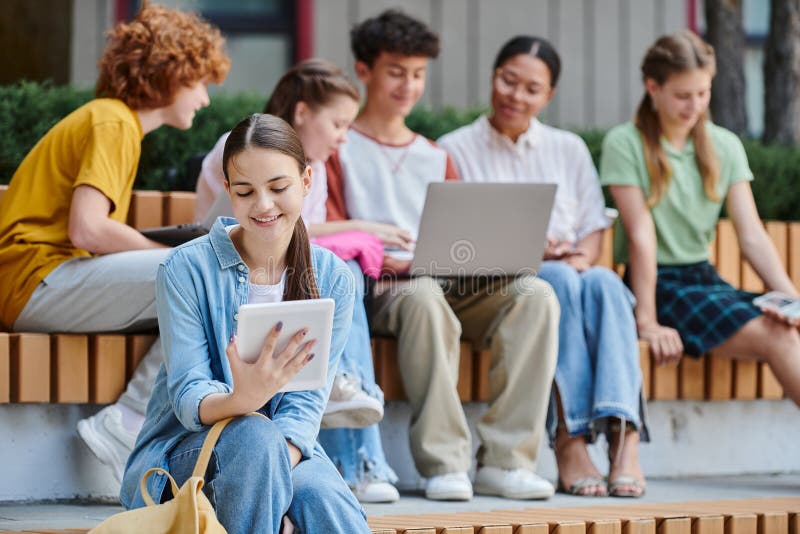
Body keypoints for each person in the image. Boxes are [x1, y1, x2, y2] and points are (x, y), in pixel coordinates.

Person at [326, 10, 560, 501]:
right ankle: (445, 463)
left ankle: (506, 461)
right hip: (385, 291)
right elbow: (331, 243)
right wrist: (386, 258)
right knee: (425, 295)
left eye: (417, 74)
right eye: (396, 72)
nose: (408, 85)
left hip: (445, 281)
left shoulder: (436, 154)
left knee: (535, 295)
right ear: (364, 71)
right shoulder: (340, 149)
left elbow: (457, 236)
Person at [0, 3, 229, 483]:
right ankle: (128, 422)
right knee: (204, 272)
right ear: (171, 72)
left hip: (42, 280)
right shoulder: (114, 122)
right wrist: (174, 255)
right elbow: (88, 229)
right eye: (201, 82)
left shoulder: (112, 121)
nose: (206, 99)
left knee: (206, 283)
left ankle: (140, 425)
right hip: (36, 281)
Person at [121, 113, 370, 533]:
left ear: (306, 182)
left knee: (323, 495)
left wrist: (275, 485)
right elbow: (188, 396)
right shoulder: (186, 268)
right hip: (185, 453)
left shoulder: (333, 280)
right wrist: (246, 397)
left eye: (278, 187)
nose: (264, 205)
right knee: (254, 438)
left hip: (283, 449)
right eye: (245, 191)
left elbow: (304, 409)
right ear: (228, 192)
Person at [438, 35, 648, 498]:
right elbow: (454, 242)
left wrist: (580, 256)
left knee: (605, 284)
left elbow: (594, 224)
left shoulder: (568, 148)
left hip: (569, 271)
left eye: (531, 88)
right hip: (496, 290)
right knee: (553, 280)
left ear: (548, 96)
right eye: (508, 81)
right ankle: (570, 439)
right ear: (492, 77)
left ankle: (623, 438)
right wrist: (536, 256)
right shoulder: (453, 149)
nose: (516, 95)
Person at [195, 58, 399, 503]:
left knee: (337, 276)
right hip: (234, 280)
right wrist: (360, 227)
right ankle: (349, 398)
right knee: (339, 272)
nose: (344, 136)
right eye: (339, 124)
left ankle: (355, 437)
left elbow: (302, 237)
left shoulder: (318, 170)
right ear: (303, 113)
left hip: (285, 276)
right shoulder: (238, 149)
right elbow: (259, 226)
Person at [601, 31, 800, 410]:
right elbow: (642, 237)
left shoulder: (724, 145)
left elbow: (752, 235)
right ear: (653, 87)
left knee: (787, 326)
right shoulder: (624, 143)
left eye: (703, 93)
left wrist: (792, 302)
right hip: (658, 287)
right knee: (779, 337)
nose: (694, 106)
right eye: (682, 96)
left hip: (704, 280)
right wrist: (648, 320)